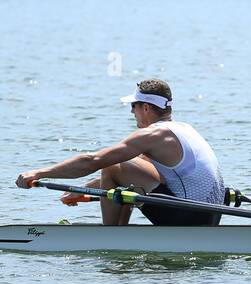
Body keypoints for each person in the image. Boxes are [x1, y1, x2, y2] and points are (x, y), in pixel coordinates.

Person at [16, 79, 226, 226]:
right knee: (124, 166)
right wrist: (85, 190)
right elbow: (131, 172)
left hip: (189, 219)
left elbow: (94, 161)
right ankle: (120, 231)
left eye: (133, 106)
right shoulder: (184, 130)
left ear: (145, 107)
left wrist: (38, 173)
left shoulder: (153, 136)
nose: (131, 112)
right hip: (211, 217)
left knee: (109, 164)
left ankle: (112, 236)